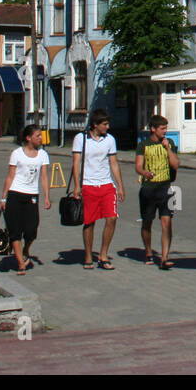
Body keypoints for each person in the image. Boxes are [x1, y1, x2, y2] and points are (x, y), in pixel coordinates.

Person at [70, 109, 124, 270]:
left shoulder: (110, 140)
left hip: (106, 184)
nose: (108, 127)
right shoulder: (81, 139)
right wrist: (77, 186)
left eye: (108, 124)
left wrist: (120, 185)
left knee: (112, 218)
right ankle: (88, 255)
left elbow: (113, 163)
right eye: (105, 124)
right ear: (95, 124)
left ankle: (103, 254)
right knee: (89, 222)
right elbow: (76, 163)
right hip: (88, 184)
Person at [0, 124, 51, 275]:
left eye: (41, 135)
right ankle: (20, 262)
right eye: (38, 136)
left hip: (32, 195)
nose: (41, 138)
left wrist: (47, 197)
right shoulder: (17, 153)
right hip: (15, 193)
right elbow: (10, 176)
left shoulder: (43, 155)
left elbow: (44, 177)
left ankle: (26, 250)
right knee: (15, 229)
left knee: (31, 229)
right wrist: (3, 198)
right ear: (28, 138)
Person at [135, 115, 180, 270]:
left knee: (166, 222)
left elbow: (175, 165)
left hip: (166, 188)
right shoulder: (144, 145)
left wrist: (167, 148)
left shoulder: (170, 143)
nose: (165, 131)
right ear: (153, 129)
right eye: (162, 128)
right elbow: (138, 166)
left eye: (166, 128)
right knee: (147, 222)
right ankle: (148, 252)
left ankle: (164, 257)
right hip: (148, 189)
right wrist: (144, 173)